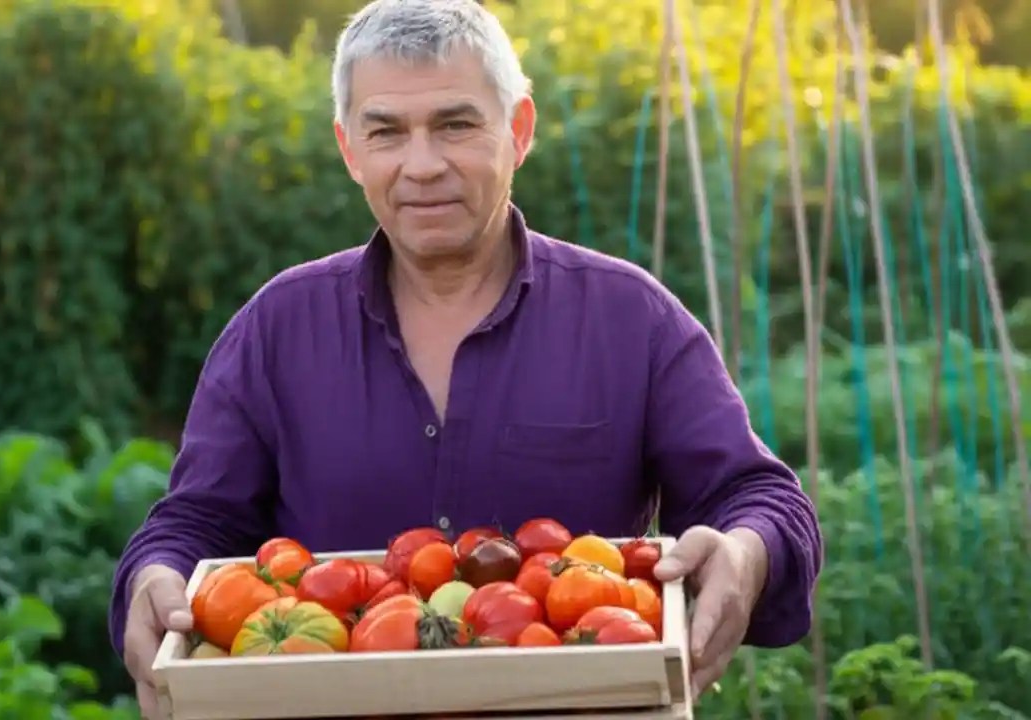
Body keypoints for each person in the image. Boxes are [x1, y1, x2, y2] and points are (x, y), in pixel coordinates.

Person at [111, 0, 823, 716]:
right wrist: (154, 576)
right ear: (350, 149)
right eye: (386, 131)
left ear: (519, 130)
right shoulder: (277, 330)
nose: (422, 165)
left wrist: (746, 552)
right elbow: (197, 524)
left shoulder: (629, 318)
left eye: (455, 124)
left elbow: (758, 497)